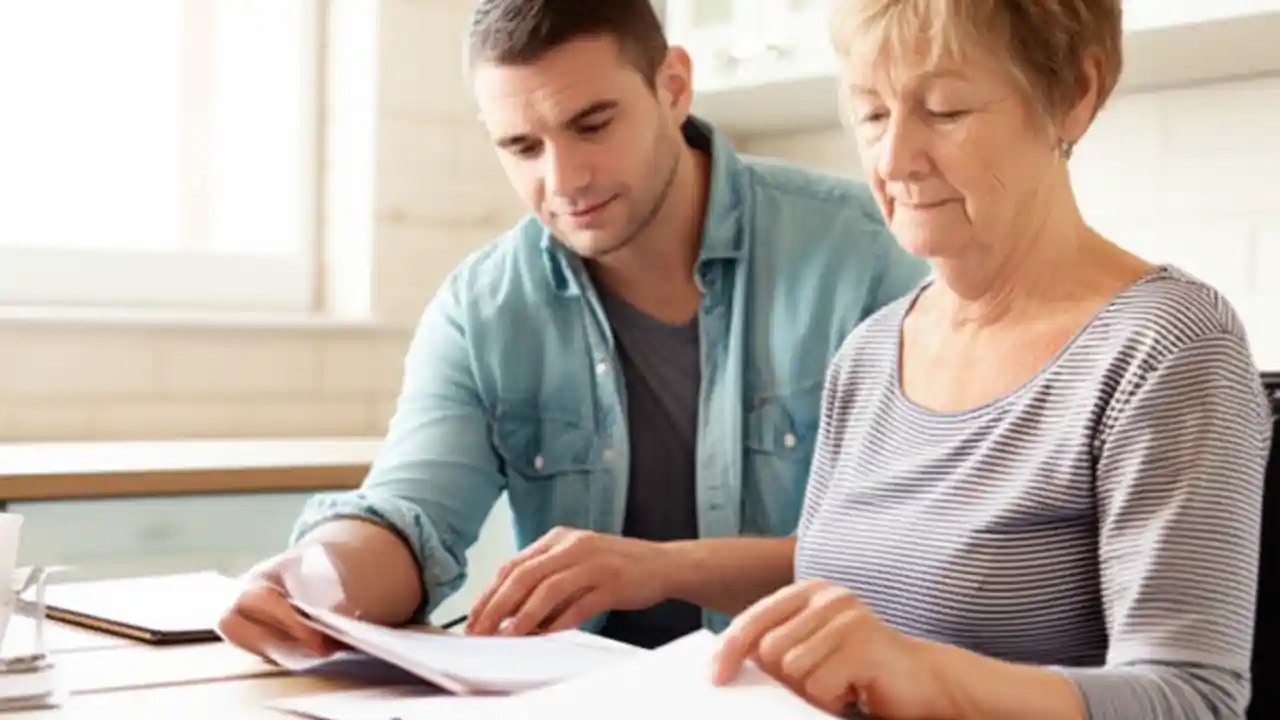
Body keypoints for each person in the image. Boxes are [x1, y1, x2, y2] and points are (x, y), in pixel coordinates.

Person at [216, 0, 928, 657]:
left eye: (593, 125)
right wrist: (307, 581)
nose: (565, 180)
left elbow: (908, 554)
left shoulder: (868, 255)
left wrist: (661, 570)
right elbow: (410, 517)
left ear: (674, 87)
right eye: (523, 147)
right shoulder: (483, 309)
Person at [703, 1, 1272, 718]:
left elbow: (1195, 700)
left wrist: (920, 674)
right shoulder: (869, 355)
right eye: (872, 114)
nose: (893, 159)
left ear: (1073, 96)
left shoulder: (1166, 347)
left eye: (943, 111)